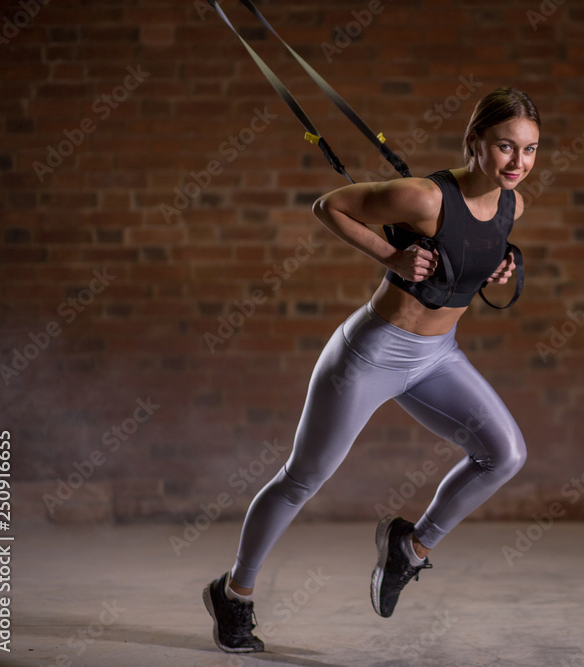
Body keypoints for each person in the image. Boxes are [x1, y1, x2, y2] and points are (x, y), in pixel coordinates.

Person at [203, 87, 540, 653]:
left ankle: (409, 548)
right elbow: (327, 205)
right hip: (372, 354)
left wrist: (499, 263)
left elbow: (470, 253)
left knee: (505, 454)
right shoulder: (425, 198)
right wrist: (391, 257)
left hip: (439, 357)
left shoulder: (513, 205)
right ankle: (234, 593)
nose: (517, 163)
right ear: (475, 143)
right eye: (505, 147)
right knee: (302, 479)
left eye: (530, 151)